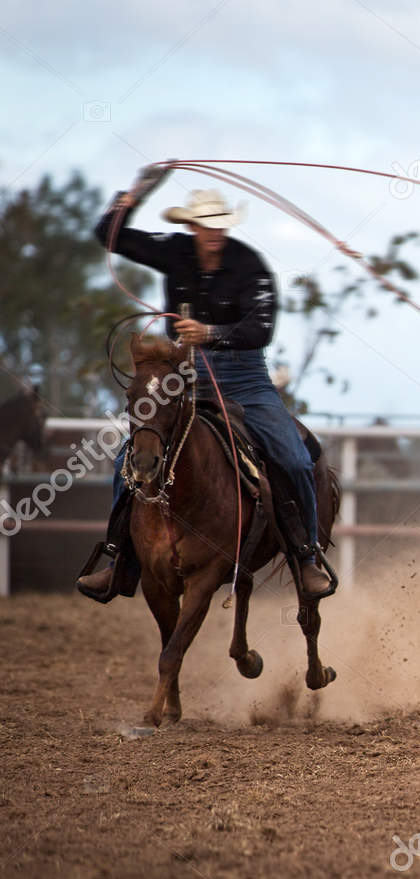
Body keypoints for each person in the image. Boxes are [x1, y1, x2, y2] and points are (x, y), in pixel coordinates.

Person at [76, 175, 333, 600]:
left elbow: (260, 329)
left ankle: (306, 557)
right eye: (205, 224)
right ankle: (120, 559)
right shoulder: (175, 251)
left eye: (219, 224)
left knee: (293, 457)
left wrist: (210, 331)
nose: (213, 232)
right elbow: (109, 235)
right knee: (129, 458)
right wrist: (134, 195)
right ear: (191, 227)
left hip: (246, 379)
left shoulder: (249, 266)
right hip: (187, 378)